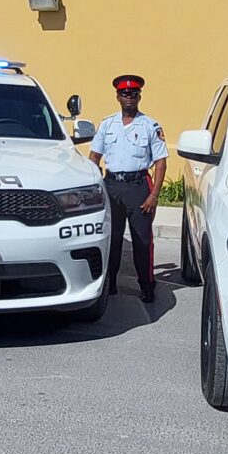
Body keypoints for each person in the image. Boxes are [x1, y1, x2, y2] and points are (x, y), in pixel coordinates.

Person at [88, 74, 168, 304]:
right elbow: (94, 157)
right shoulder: (107, 124)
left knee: (142, 240)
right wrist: (95, 185)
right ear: (118, 97)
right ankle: (110, 283)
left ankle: (147, 285)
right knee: (111, 239)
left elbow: (161, 162)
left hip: (138, 187)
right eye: (124, 94)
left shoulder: (150, 126)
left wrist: (154, 195)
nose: (129, 97)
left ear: (139, 96)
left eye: (133, 94)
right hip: (111, 186)